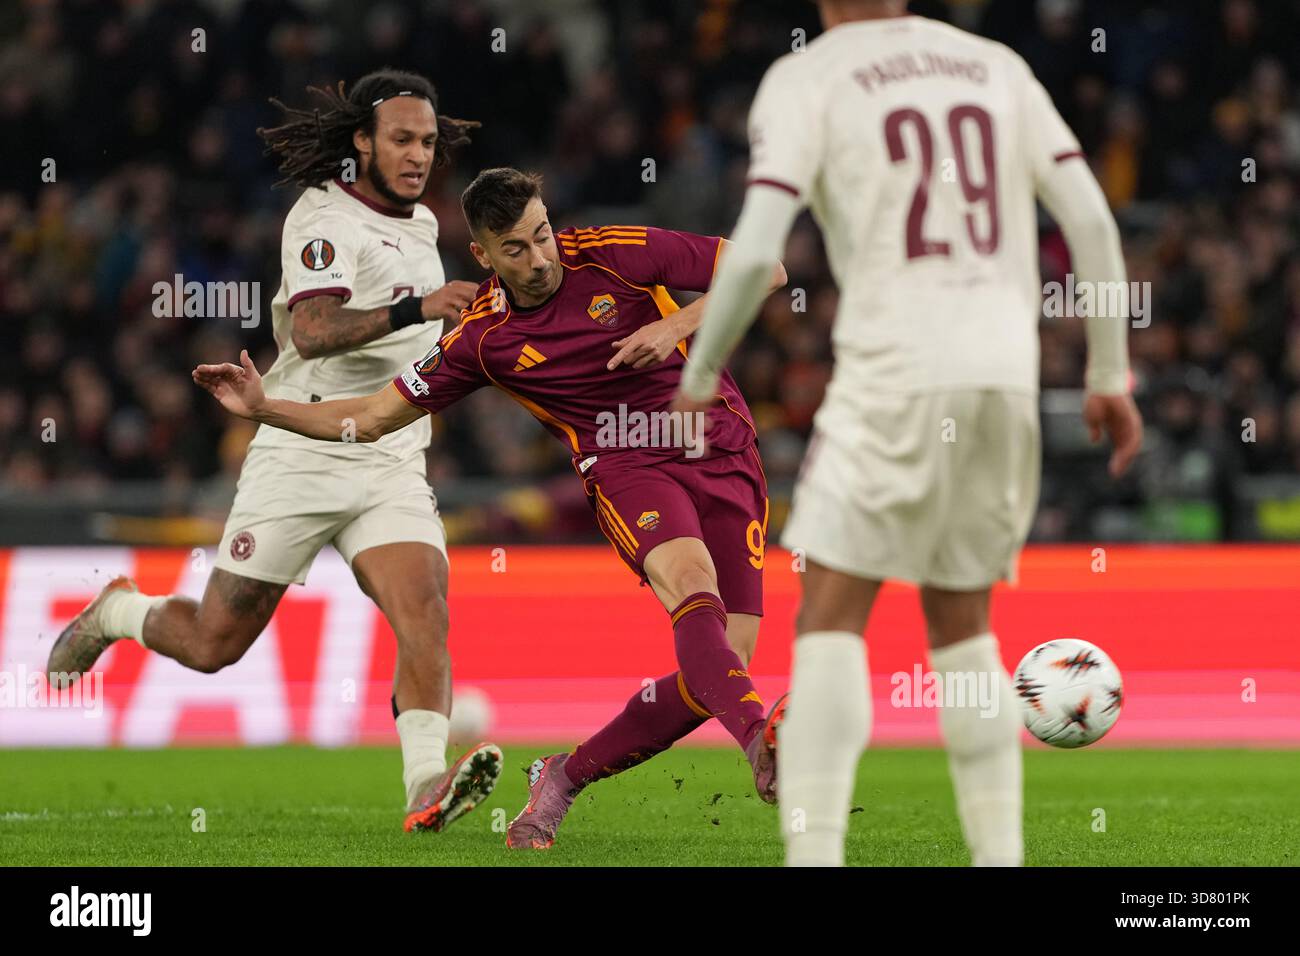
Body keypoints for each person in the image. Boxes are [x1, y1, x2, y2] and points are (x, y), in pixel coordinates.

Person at [192, 166, 789, 849]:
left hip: (722, 446)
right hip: (628, 467)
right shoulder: (484, 337)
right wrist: (266, 406)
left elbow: (764, 269)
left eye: (543, 237)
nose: (539, 259)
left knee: (724, 661)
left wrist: (678, 323)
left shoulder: (612, 249)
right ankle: (759, 740)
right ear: (483, 255)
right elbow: (372, 415)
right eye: (517, 249)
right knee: (692, 586)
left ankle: (564, 776)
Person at [674, 0, 1143, 866]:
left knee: (831, 619)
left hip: (896, 373)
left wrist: (700, 374)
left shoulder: (805, 77)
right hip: (1005, 376)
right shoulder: (994, 63)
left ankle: (813, 858)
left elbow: (754, 248)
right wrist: (1109, 371)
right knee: (962, 623)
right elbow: (1091, 219)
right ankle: (998, 858)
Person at [48, 70, 501, 834]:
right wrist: (417, 307)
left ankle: (426, 780)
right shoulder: (321, 217)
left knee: (425, 610)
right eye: (401, 139)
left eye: (427, 141)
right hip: (301, 448)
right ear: (363, 140)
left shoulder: (425, 224)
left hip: (388, 454)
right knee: (212, 643)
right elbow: (316, 332)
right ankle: (119, 610)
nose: (418, 154)